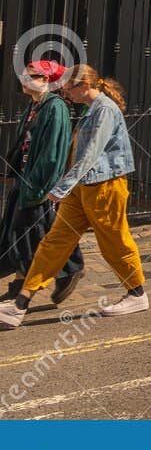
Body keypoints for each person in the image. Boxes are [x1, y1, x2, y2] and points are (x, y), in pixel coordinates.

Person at [0, 65, 147, 328]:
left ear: (84, 86)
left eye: (69, 88)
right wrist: (68, 184)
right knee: (55, 241)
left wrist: (61, 187)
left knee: (114, 241)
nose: (65, 93)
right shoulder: (90, 109)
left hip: (105, 186)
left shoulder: (105, 110)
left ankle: (137, 293)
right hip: (81, 187)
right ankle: (20, 303)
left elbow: (91, 153)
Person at [0, 61, 84, 304]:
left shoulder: (55, 107)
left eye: (31, 75)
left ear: (46, 80)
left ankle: (29, 284)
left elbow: (52, 153)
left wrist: (40, 185)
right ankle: (67, 269)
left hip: (37, 183)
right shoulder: (34, 105)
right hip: (24, 177)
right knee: (34, 230)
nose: (24, 79)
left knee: (28, 231)